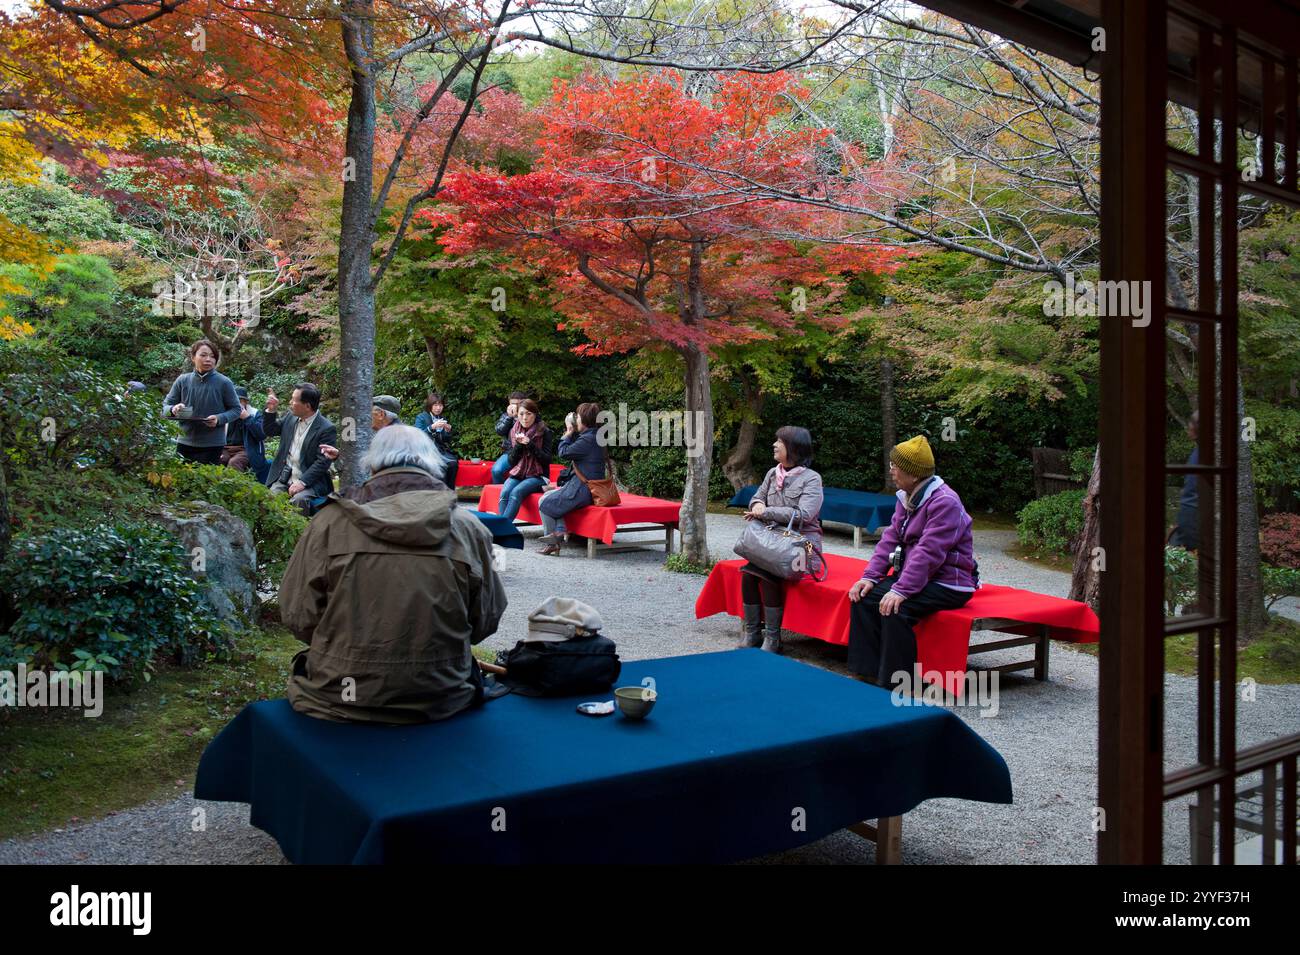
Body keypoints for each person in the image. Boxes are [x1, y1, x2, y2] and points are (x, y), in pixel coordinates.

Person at [279, 424, 507, 724]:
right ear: (432, 463)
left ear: (372, 463)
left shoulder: (329, 524)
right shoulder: (467, 529)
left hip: (338, 695)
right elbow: (484, 621)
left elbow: (298, 615)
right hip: (440, 695)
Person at [847, 435, 980, 688]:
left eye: (895, 466)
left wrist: (901, 589)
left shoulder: (945, 502)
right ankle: (866, 672)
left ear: (914, 474)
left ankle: (896, 682)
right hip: (918, 576)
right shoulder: (906, 497)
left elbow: (929, 552)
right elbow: (889, 538)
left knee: (896, 606)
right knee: (863, 597)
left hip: (949, 582)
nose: (891, 470)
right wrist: (870, 576)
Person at [737, 426, 824, 654]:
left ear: (794, 449)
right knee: (747, 574)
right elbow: (758, 497)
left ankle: (773, 638)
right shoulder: (772, 473)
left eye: (780, 442)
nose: (774, 445)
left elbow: (805, 515)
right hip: (771, 542)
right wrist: (756, 505)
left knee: (766, 573)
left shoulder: (812, 479)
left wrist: (765, 512)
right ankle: (753, 632)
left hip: (800, 547)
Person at [537, 402, 605, 555]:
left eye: (578, 417)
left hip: (582, 489)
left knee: (544, 502)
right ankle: (560, 530)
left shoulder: (588, 440)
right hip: (589, 487)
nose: (577, 420)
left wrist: (568, 432)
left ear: (585, 421)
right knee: (548, 496)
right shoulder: (595, 436)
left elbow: (564, 452)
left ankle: (552, 543)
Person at [162, 339, 241, 465]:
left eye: (212, 356)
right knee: (182, 481)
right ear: (193, 357)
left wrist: (219, 419)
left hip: (212, 445)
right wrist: (173, 409)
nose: (208, 359)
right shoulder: (182, 381)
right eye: (203, 355)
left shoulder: (224, 382)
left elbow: (236, 409)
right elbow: (164, 409)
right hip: (184, 442)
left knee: (206, 482)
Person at [263, 382, 337, 510]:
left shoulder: (326, 428)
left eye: (294, 399)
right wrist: (271, 410)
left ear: (307, 406)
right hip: (284, 478)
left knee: (299, 501)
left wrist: (302, 482)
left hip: (310, 482)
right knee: (269, 500)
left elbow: (323, 462)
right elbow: (270, 431)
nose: (290, 402)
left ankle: (301, 530)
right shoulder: (291, 417)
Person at [496, 399, 552, 523]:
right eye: (521, 414)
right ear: (517, 415)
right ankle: (501, 527)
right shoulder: (514, 431)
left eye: (529, 414)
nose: (525, 418)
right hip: (519, 473)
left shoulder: (544, 431)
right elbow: (511, 462)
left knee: (516, 492)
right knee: (505, 492)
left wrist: (530, 445)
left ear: (535, 414)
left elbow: (547, 460)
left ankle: (502, 529)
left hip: (538, 476)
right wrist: (519, 446)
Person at [220, 386, 270, 482]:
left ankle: (233, 490)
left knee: (234, 462)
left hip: (246, 449)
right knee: (217, 460)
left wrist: (247, 418)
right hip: (226, 448)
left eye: (240, 401)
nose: (236, 404)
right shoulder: (226, 413)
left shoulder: (254, 414)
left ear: (246, 402)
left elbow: (261, 435)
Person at [1168, 410, 1199, 551]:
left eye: (1190, 425)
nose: (1188, 429)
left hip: (1193, 522)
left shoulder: (1199, 456)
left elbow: (1191, 497)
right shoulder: (1199, 454)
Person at [413, 392, 458, 489]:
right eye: (435, 405)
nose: (438, 408)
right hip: (424, 450)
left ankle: (450, 492)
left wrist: (447, 431)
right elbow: (417, 435)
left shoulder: (442, 418)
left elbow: (446, 440)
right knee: (441, 465)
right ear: (430, 406)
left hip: (439, 450)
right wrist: (431, 427)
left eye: (440, 405)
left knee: (453, 464)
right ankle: (440, 494)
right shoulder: (421, 417)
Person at [490, 391, 529, 484]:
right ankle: (500, 492)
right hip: (510, 452)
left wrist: (518, 417)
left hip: (527, 452)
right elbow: (499, 431)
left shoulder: (529, 415)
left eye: (518, 404)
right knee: (496, 470)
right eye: (512, 404)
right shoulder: (506, 415)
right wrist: (509, 417)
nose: (514, 406)